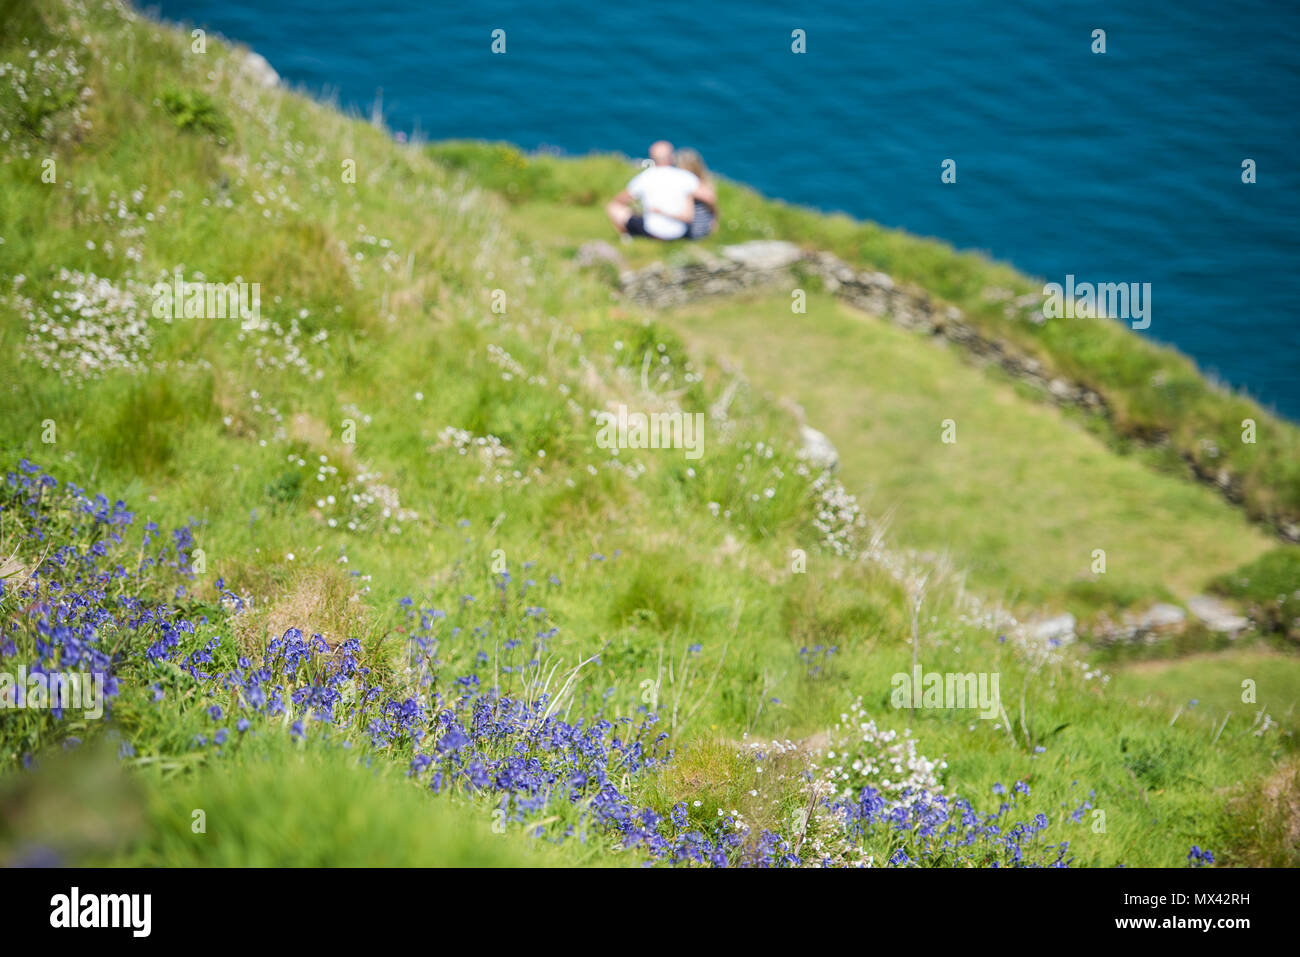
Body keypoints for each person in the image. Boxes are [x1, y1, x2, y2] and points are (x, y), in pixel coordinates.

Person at [606, 140, 699, 241]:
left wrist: (636, 208)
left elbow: (620, 199)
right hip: (680, 232)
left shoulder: (645, 177)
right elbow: (708, 196)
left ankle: (627, 238)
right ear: (671, 157)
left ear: (652, 158)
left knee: (613, 207)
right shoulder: (686, 177)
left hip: (652, 231)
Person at [669, 148, 718, 240]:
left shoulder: (690, 186)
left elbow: (709, 198)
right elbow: (713, 208)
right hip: (704, 226)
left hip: (693, 229)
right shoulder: (704, 182)